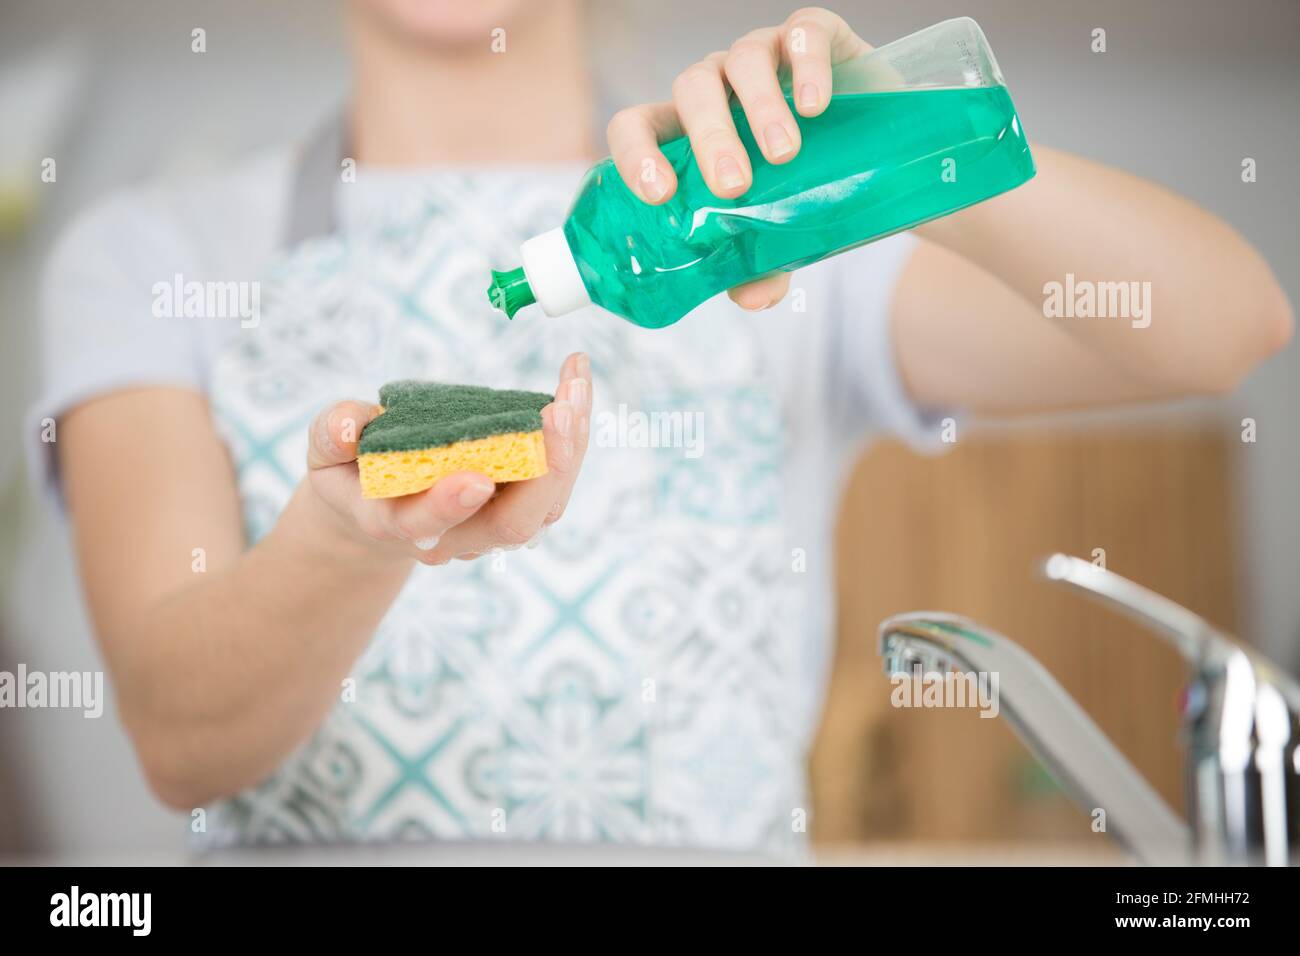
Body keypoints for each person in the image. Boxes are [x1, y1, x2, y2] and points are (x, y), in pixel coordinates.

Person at [30, 2, 1291, 851]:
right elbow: (183, 736)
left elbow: (1225, 325)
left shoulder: (775, 224)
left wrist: (882, 139)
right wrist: (355, 540)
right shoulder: (157, 250)